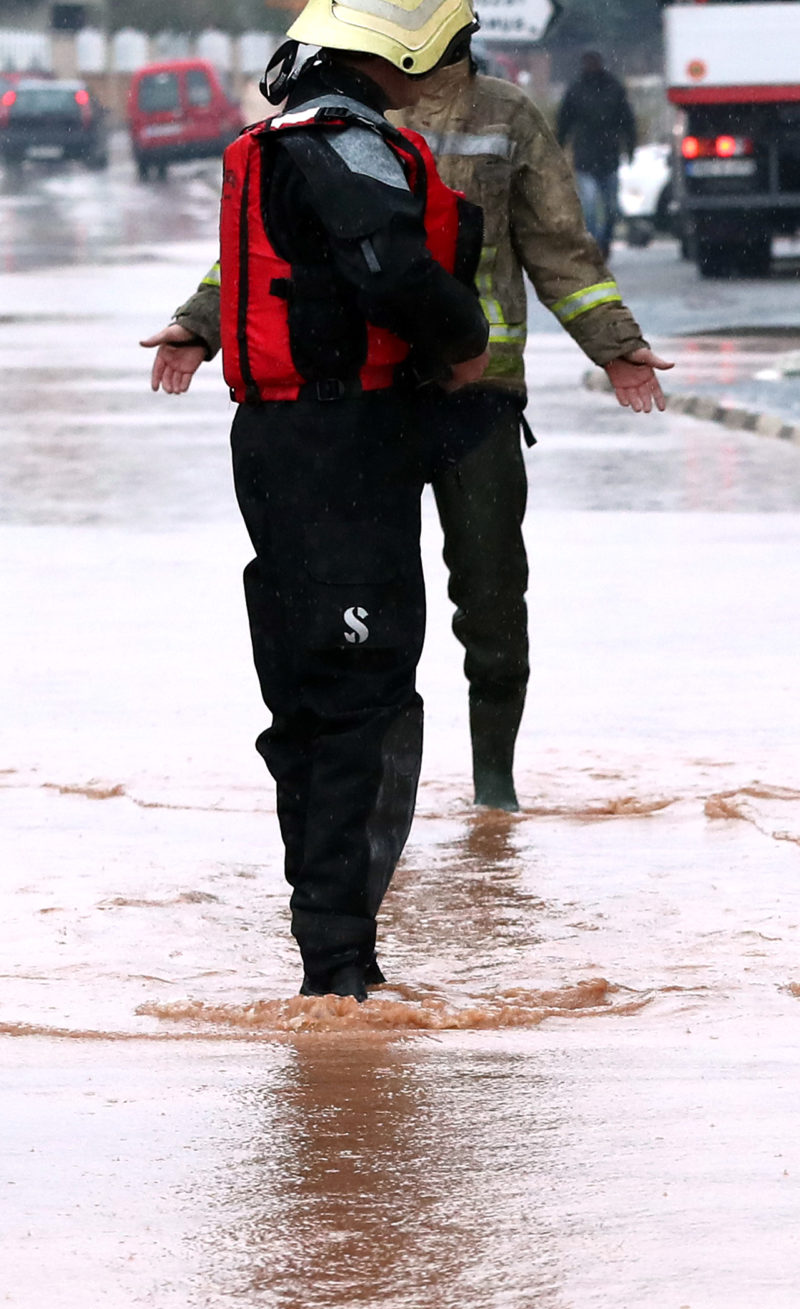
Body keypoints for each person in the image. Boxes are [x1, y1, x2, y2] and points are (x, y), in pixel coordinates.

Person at [156, 47, 677, 812]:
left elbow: (558, 245)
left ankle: (492, 791)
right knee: (366, 607)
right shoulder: (339, 118)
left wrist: (616, 345)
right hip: (373, 399)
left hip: (481, 397)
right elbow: (269, 246)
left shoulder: (506, 115)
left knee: (494, 596)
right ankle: (368, 796)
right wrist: (199, 328)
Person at [137, 0, 493, 1000]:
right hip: (340, 451)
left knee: (311, 696)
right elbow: (389, 268)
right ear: (406, 45)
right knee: (354, 700)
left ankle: (330, 952)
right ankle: (339, 972)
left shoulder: (288, 132)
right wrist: (463, 337)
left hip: (289, 445)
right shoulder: (345, 143)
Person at [555, 51, 637, 259]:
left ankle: (604, 242)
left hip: (608, 156)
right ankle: (593, 246)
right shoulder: (577, 90)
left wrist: (630, 146)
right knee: (590, 207)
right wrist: (557, 148)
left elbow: (627, 119)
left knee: (610, 209)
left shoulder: (612, 88)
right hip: (586, 157)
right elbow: (564, 122)